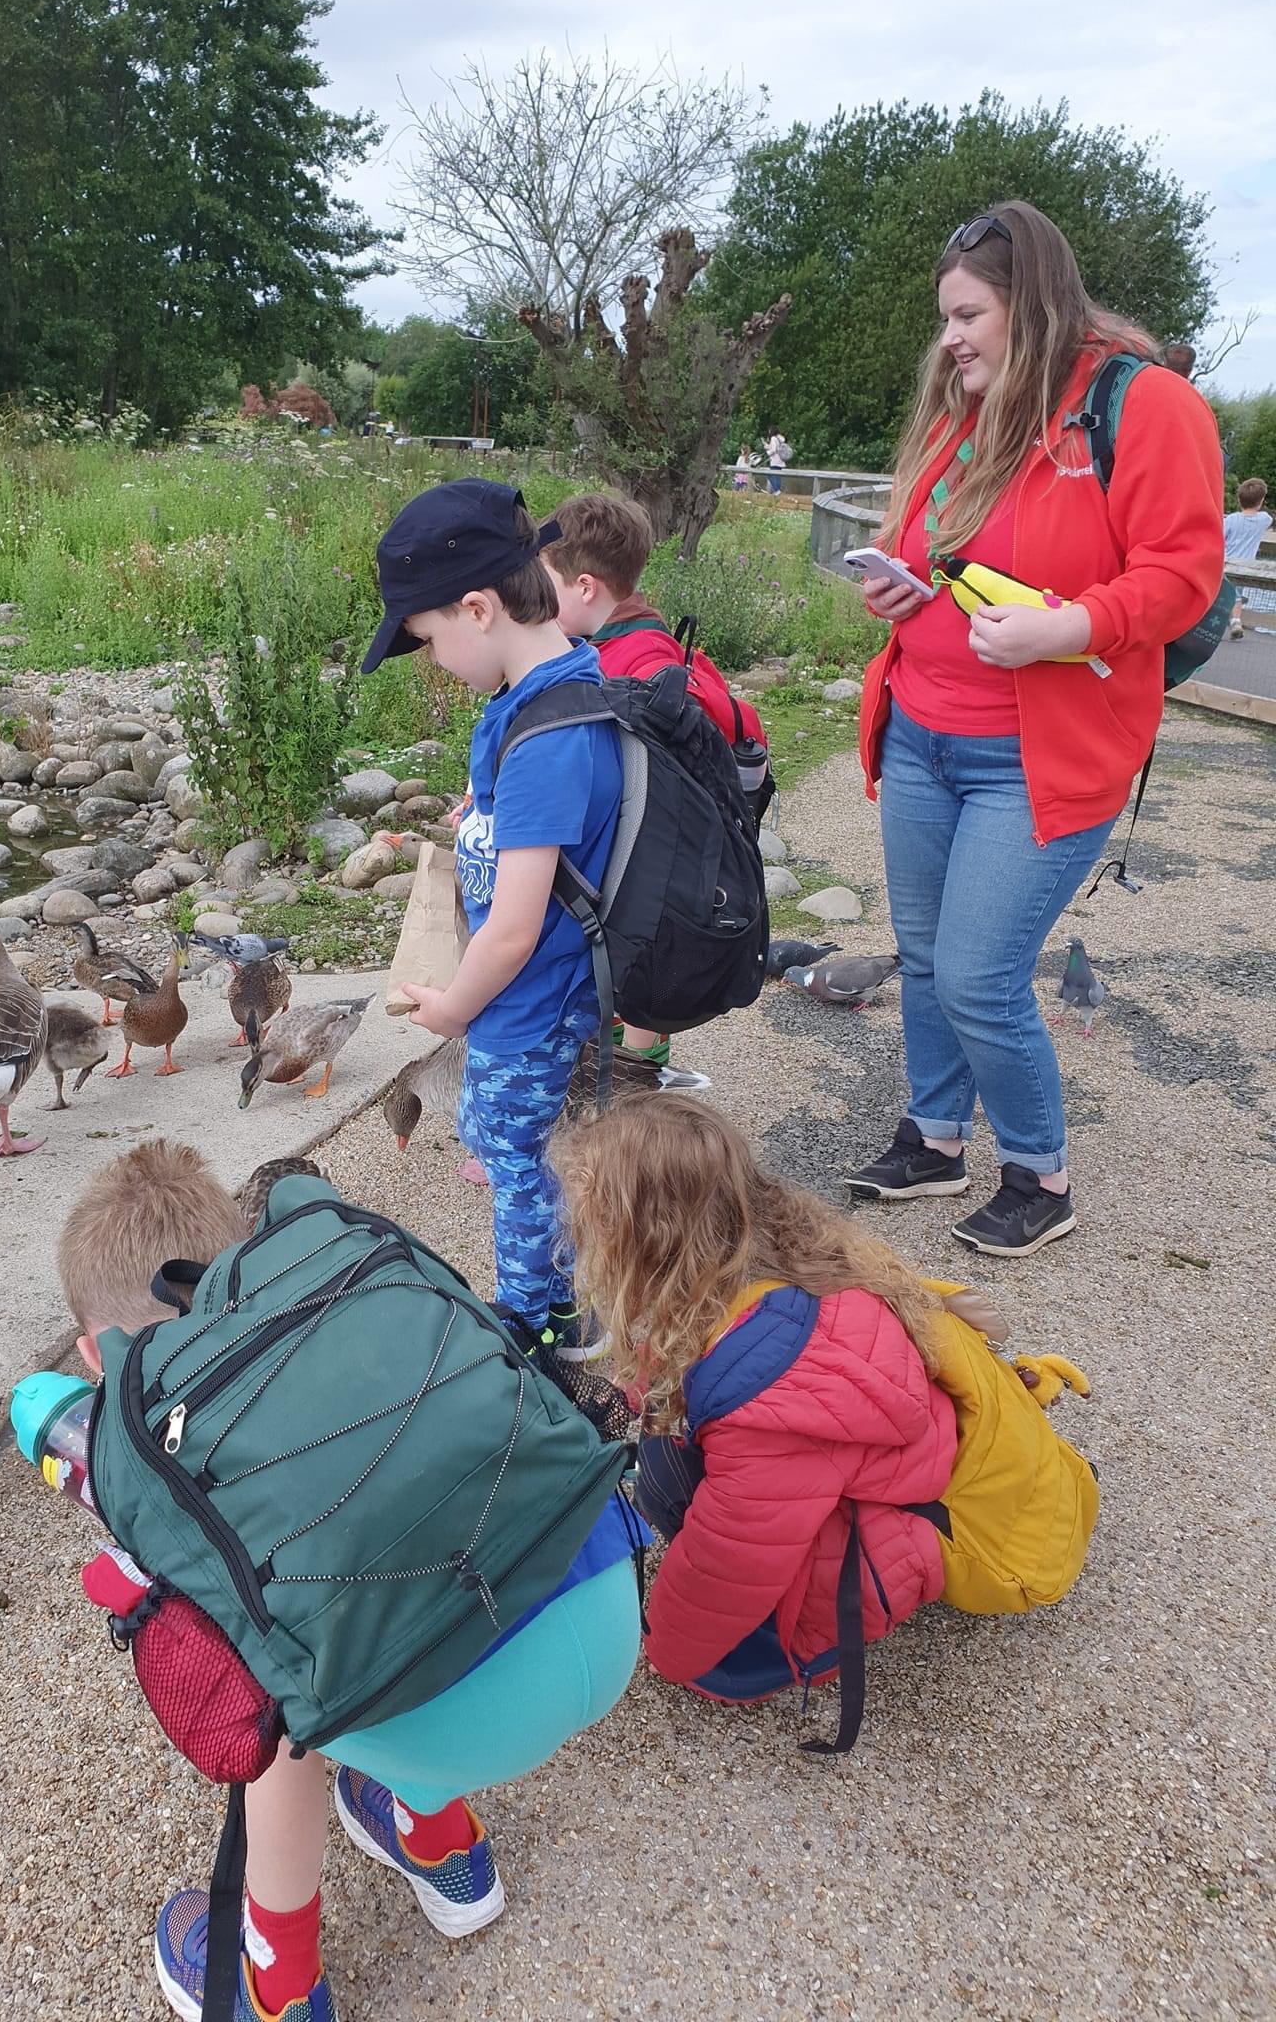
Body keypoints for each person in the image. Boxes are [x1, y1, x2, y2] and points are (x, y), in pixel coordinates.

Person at [56, 1142, 642, 2022]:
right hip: (605, 1601)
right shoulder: (337, 1287)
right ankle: (440, 1847)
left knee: (271, 1696)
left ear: (94, 1359)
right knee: (406, 1561)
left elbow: (211, 1674)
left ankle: (278, 1980)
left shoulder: (146, 1438)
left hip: (462, 1720)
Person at [849, 200, 1224, 1256]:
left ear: (1034, 301)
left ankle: (1039, 1172)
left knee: (978, 970)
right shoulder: (973, 401)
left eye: (969, 315)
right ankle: (932, 1136)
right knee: (922, 956)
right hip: (924, 728)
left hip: (1038, 753)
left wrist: (1067, 627)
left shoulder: (1141, 404)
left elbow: (1182, 575)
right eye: (947, 318)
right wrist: (907, 591)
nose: (952, 337)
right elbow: (956, 551)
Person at [550, 1096, 955, 1702]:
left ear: (647, 1247)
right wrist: (638, 1392)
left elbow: (729, 1566)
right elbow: (684, 1342)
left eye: (588, 1228)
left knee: (717, 1667)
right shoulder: (771, 1256)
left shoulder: (767, 1409)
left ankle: (803, 1640)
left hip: (882, 1539)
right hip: (858, 1467)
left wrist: (660, 1647)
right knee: (667, 1443)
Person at [361, 477, 623, 1346]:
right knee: (504, 1139)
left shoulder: (547, 733)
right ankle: (559, 1295)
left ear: (478, 608)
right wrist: (486, 814)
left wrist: (451, 1008)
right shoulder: (551, 690)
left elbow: (512, 929)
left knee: (514, 1161)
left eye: (428, 640)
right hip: (534, 991)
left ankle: (539, 1322)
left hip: (526, 999)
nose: (434, 661)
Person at [543, 490, 772, 1065]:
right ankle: (632, 1052)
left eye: (545, 582)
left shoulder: (633, 661)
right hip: (656, 837)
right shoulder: (646, 638)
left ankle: (639, 1065)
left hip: (651, 846)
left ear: (585, 586)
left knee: (635, 945)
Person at [1223, 478, 1272, 638]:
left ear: (1239, 499)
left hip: (1227, 563)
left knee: (1225, 593)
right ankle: (1236, 621)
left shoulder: (1231, 520)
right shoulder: (1263, 519)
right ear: (1261, 500)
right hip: (1247, 567)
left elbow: (1221, 537)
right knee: (1237, 595)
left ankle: (1222, 623)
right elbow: (1269, 518)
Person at [764, 426, 791, 494]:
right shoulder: (779, 438)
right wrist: (768, 446)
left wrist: (768, 452)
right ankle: (777, 489)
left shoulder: (773, 438)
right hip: (780, 460)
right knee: (777, 476)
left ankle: (776, 490)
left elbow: (774, 450)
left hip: (775, 460)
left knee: (771, 475)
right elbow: (776, 447)